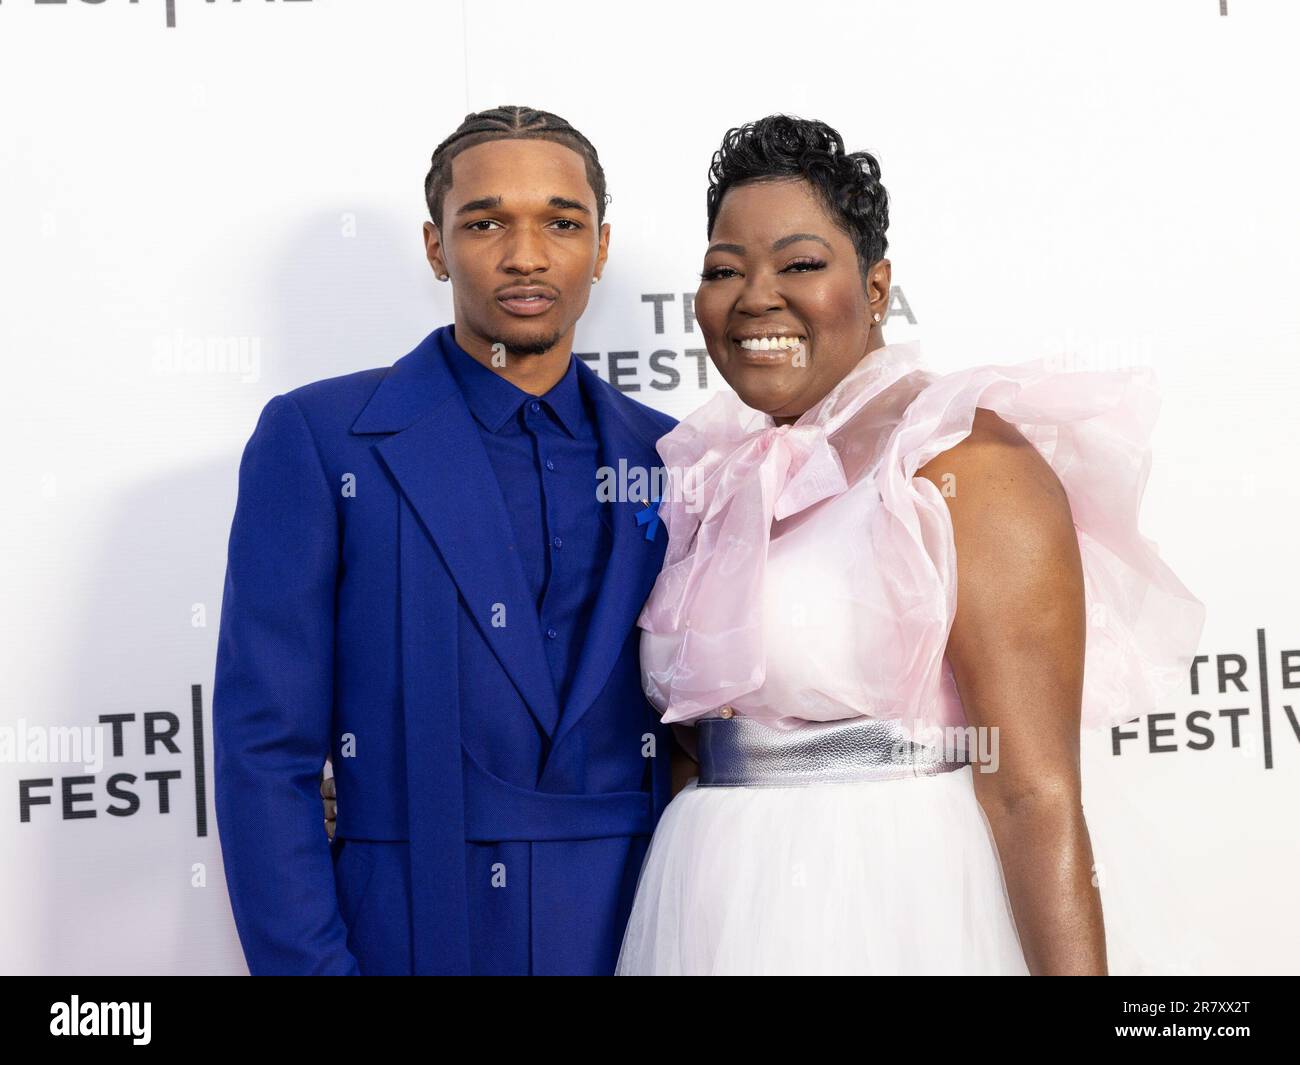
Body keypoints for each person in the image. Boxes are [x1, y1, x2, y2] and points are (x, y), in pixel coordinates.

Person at [613, 115, 1207, 975]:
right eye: (723, 271)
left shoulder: (967, 458)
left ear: (878, 284)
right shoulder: (711, 471)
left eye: (801, 264)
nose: (755, 297)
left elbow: (1033, 792)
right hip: (712, 910)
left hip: (905, 906)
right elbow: (695, 743)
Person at [213, 105, 682, 976]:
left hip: (641, 926)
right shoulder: (321, 438)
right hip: (412, 930)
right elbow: (263, 751)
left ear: (602, 247)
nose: (526, 253)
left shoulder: (674, 452)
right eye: (486, 221)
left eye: (561, 221)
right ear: (436, 247)